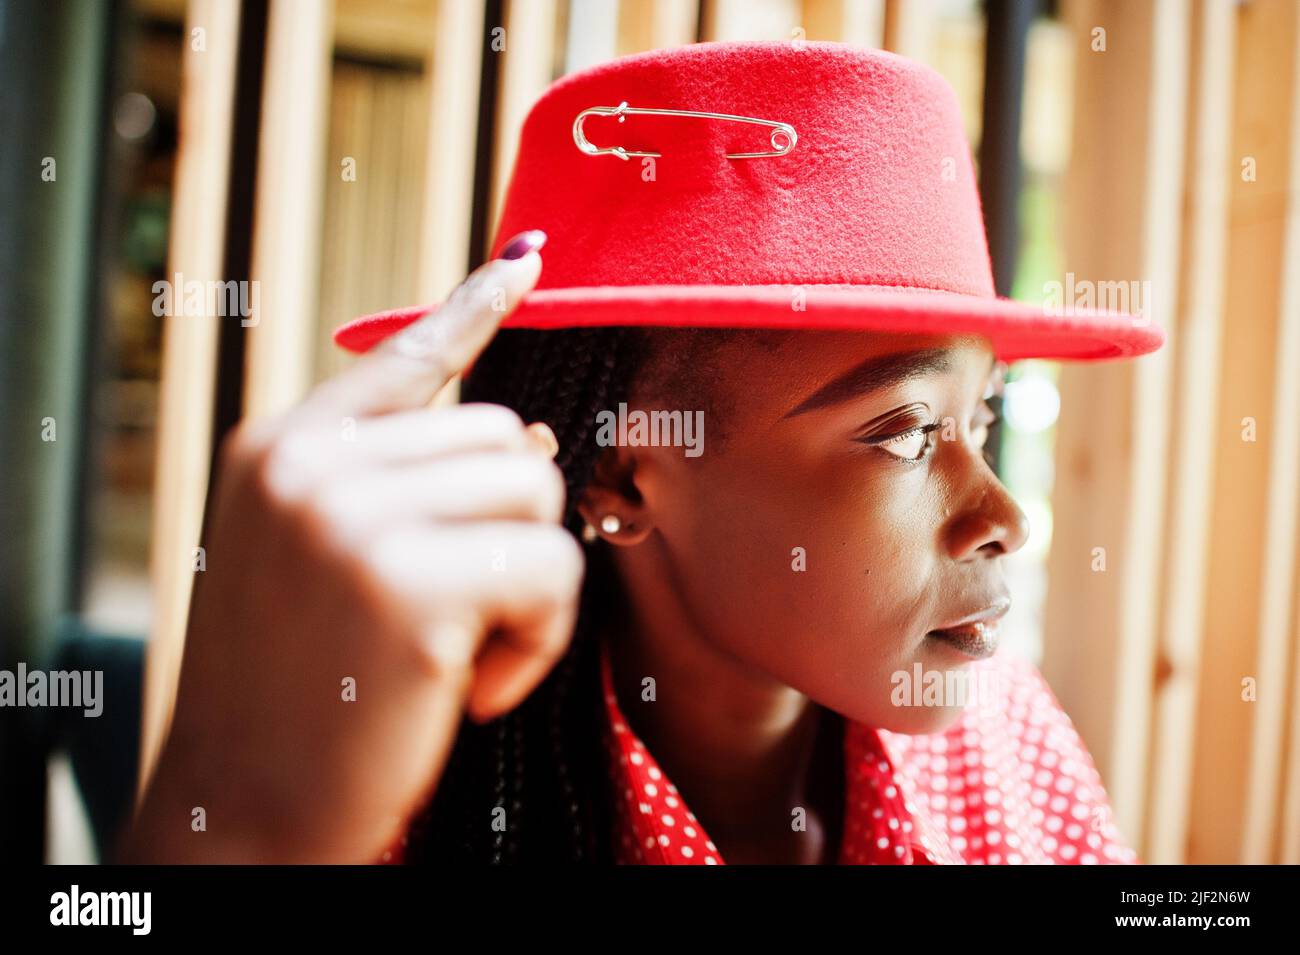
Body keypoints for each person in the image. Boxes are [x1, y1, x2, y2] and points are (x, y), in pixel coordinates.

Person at [117, 40, 1160, 865]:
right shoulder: (375, 799)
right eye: (905, 430)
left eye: (979, 421)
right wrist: (232, 832)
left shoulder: (1012, 738)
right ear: (623, 473)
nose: (1005, 515)